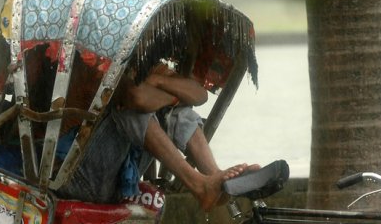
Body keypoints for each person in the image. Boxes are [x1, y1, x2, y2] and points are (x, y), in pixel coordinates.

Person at [57, 61, 258, 211]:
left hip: (118, 185)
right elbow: (137, 97)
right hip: (79, 178)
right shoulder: (100, 60)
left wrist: (159, 81)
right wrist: (172, 97)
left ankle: (215, 178)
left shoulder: (145, 64)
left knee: (180, 111)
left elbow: (200, 95)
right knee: (132, 109)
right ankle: (199, 184)